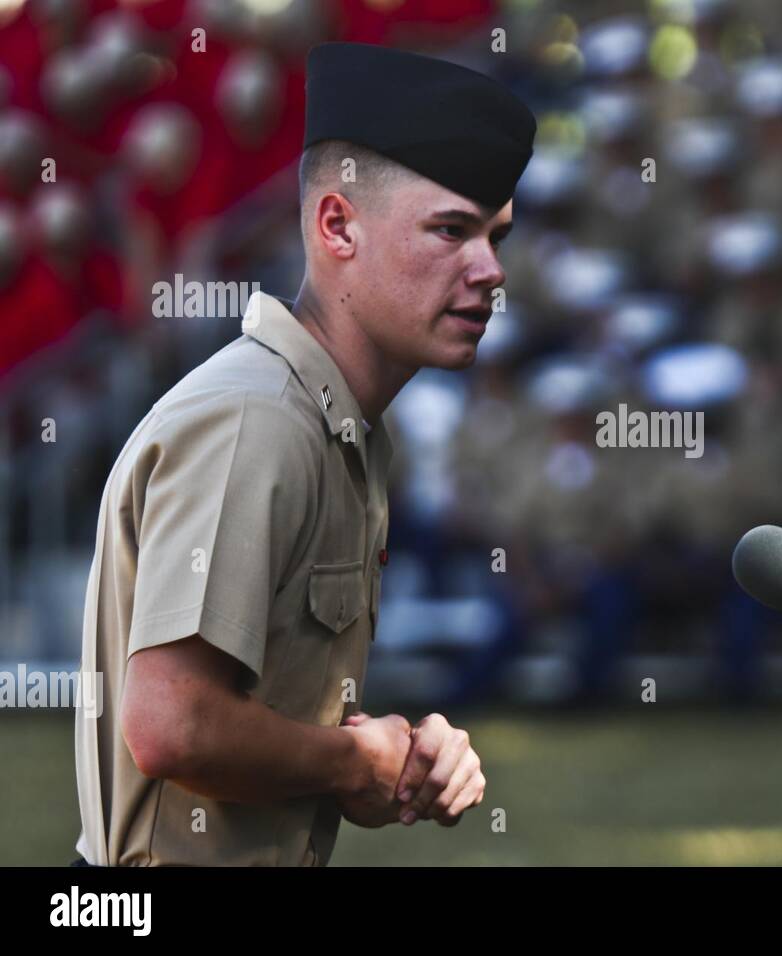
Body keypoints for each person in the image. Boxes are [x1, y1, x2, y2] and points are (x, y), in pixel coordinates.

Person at [73, 42, 536, 866]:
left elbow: (252, 723)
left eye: (495, 236)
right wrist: (358, 758)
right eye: (452, 231)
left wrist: (390, 763)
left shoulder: (336, 426)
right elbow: (174, 727)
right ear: (337, 226)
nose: (490, 270)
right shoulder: (261, 422)